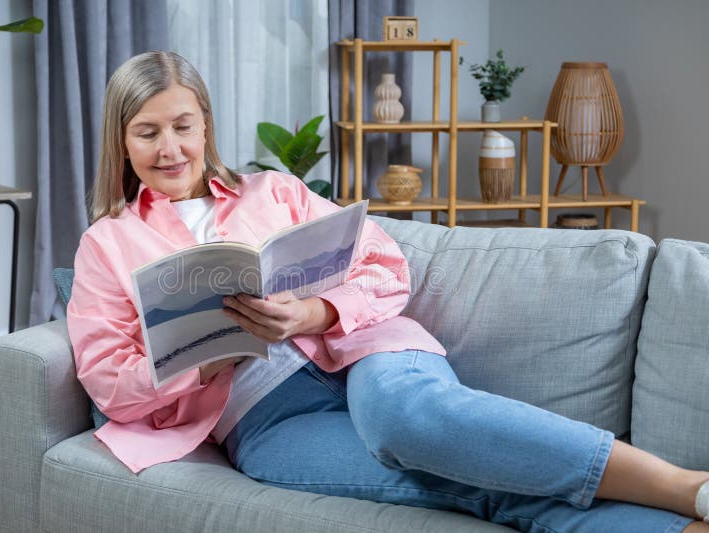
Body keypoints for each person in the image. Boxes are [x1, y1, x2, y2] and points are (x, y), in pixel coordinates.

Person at [67, 50, 709, 532]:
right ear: (122, 144)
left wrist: (314, 310)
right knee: (466, 481)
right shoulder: (107, 244)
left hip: (367, 354)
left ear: (205, 125)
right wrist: (201, 361)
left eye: (182, 125)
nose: (170, 148)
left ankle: (683, 484)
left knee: (414, 421)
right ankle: (683, 521)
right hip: (264, 419)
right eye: (147, 133)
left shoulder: (276, 191)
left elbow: (381, 262)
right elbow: (107, 381)